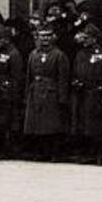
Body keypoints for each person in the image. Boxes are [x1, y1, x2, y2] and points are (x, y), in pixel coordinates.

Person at [22, 24, 71, 161]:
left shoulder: (59, 55)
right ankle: (40, 152)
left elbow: (63, 78)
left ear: (53, 37)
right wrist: (27, 94)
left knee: (51, 125)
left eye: (48, 36)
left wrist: (62, 97)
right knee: (37, 124)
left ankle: (54, 153)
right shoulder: (33, 54)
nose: (45, 39)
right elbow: (28, 76)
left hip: (51, 92)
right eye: (42, 36)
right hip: (35, 90)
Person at [69, 23, 102, 164]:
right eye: (84, 37)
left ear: (94, 38)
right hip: (82, 93)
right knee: (82, 123)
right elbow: (75, 71)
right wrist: (75, 82)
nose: (84, 40)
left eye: (87, 38)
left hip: (95, 93)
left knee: (96, 125)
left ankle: (98, 153)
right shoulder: (80, 54)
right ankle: (85, 152)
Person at [0, 21, 23, 158]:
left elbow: (16, 76)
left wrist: (11, 92)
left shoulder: (14, 54)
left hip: (6, 90)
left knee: (6, 121)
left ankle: (7, 150)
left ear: (6, 40)